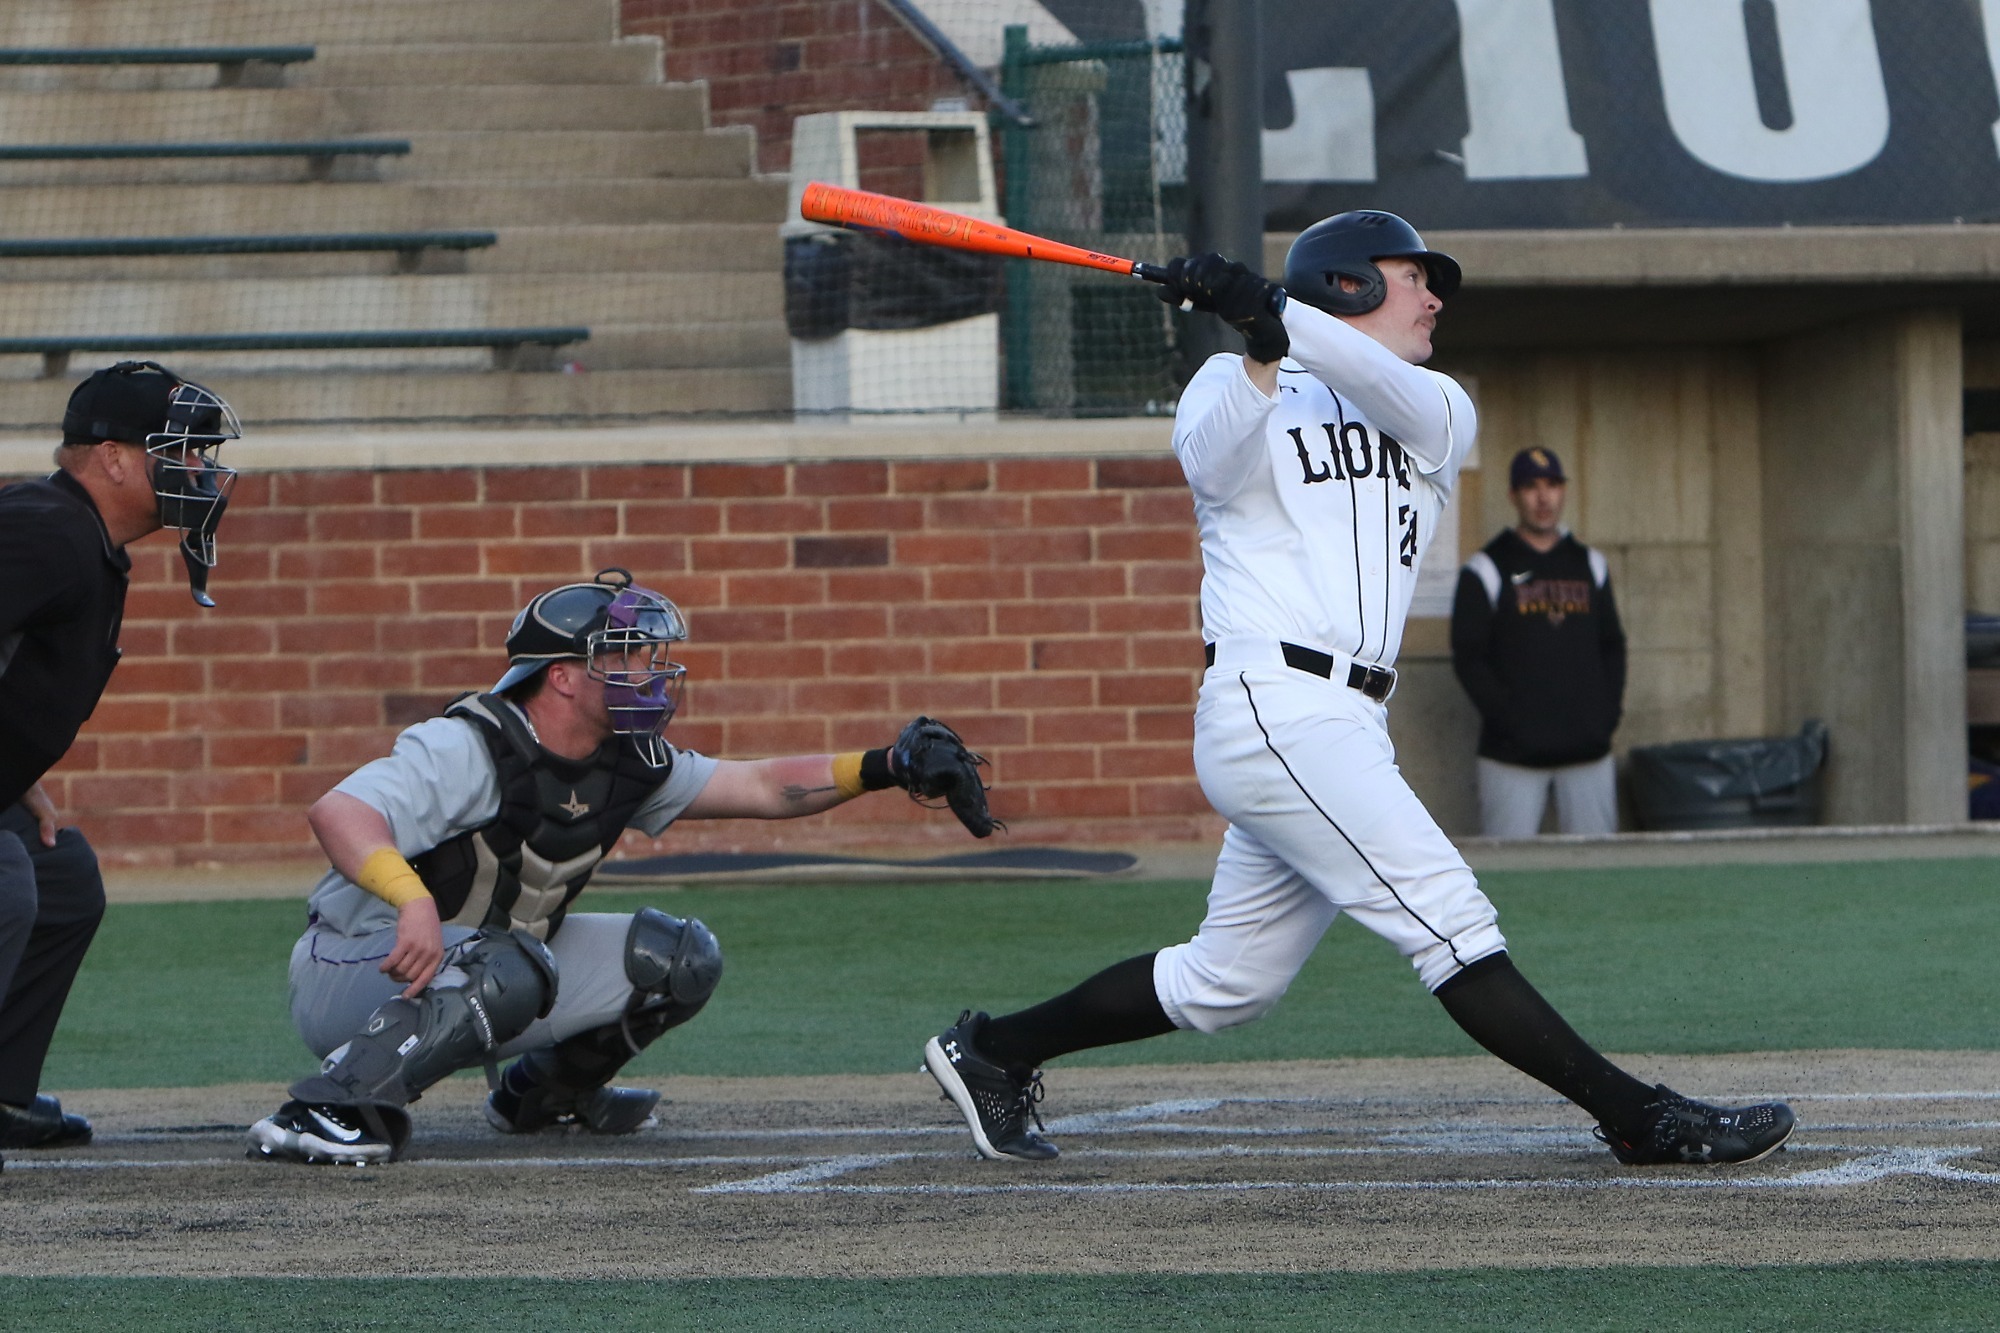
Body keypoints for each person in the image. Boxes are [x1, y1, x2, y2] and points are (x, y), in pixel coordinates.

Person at [920, 213, 1794, 1167]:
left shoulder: (1438, 404)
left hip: (1351, 718)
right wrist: (1259, 342)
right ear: (1350, 283)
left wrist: (1270, 308)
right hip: (1274, 701)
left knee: (1229, 981)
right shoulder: (1231, 379)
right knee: (1450, 919)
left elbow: (1377, 383)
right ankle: (1640, 1117)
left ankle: (993, 1050)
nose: (1434, 297)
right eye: (1413, 276)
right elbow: (1212, 465)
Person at [249, 568, 990, 1165]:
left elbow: (762, 786)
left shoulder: (629, 757)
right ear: (563, 676)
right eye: (625, 654)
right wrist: (410, 899)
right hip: (357, 963)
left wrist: (885, 766)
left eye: (645, 653)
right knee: (509, 963)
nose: (648, 670)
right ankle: (329, 1105)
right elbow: (338, 812)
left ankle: (542, 1095)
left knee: (677, 957)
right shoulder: (468, 743)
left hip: (488, 965)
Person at [0, 361, 241, 1164]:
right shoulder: (48, 530)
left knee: (62, 879)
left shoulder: (80, 538)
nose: (198, 468)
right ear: (111, 457)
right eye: (179, 449)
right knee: (7, 879)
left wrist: (17, 774)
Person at [1451, 446, 1627, 837]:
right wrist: (1511, 721)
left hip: (1588, 753)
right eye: (1531, 486)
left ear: (1563, 491)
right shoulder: (1486, 568)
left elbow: (1612, 646)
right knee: (1510, 868)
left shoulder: (1589, 564)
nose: (1543, 497)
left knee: (1598, 865)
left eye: (1552, 485)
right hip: (1511, 757)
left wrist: (1605, 717)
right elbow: (1469, 658)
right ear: (1514, 495)